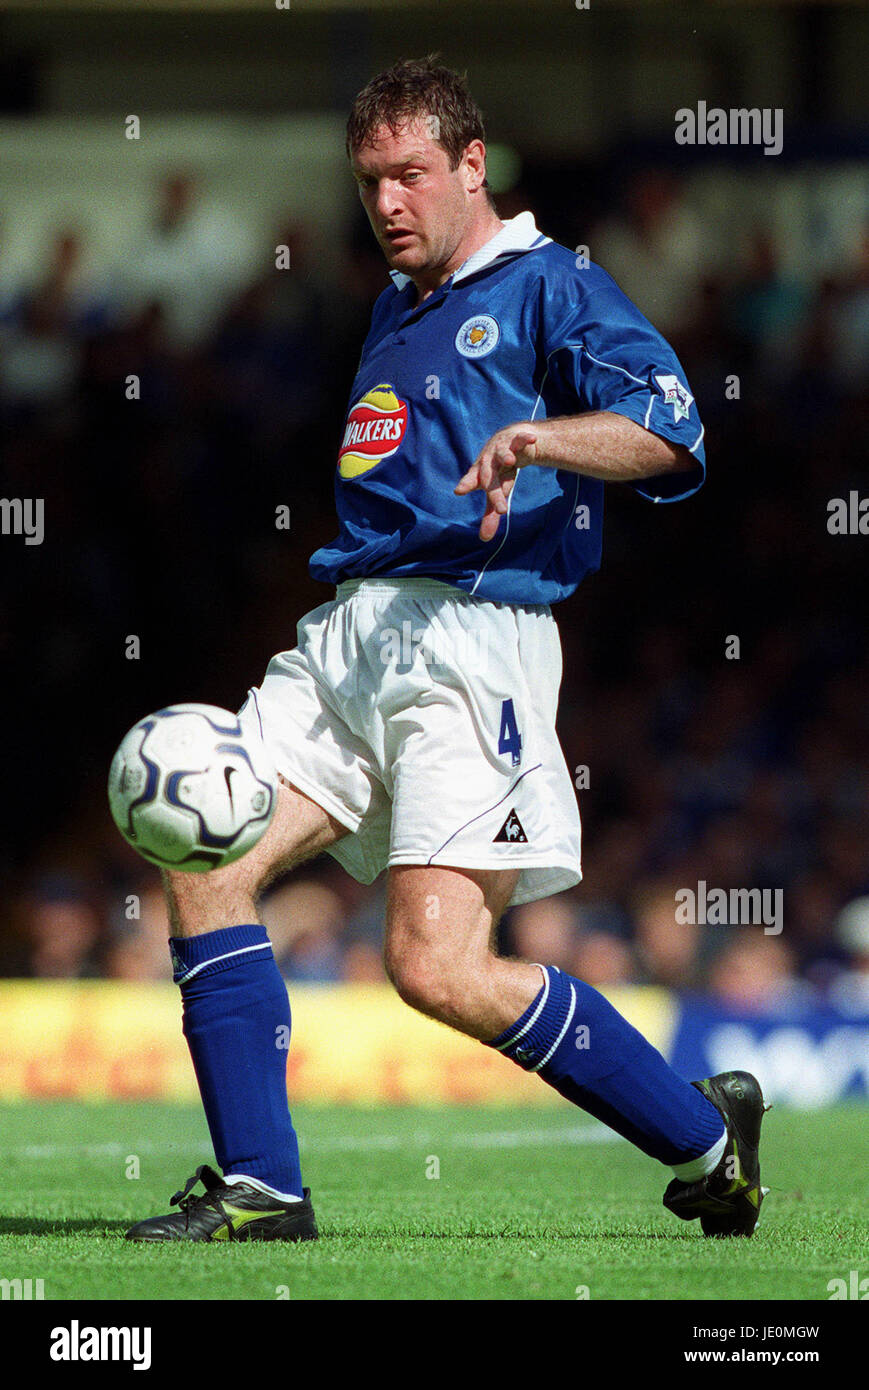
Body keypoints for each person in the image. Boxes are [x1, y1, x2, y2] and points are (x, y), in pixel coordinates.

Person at [126, 57, 767, 1245]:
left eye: (410, 174)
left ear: (472, 165)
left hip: (470, 646)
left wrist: (541, 436)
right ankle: (262, 1186)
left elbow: (671, 428)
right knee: (202, 856)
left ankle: (706, 1140)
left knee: (434, 968)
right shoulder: (395, 303)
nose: (386, 203)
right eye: (369, 179)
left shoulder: (548, 285)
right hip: (349, 633)